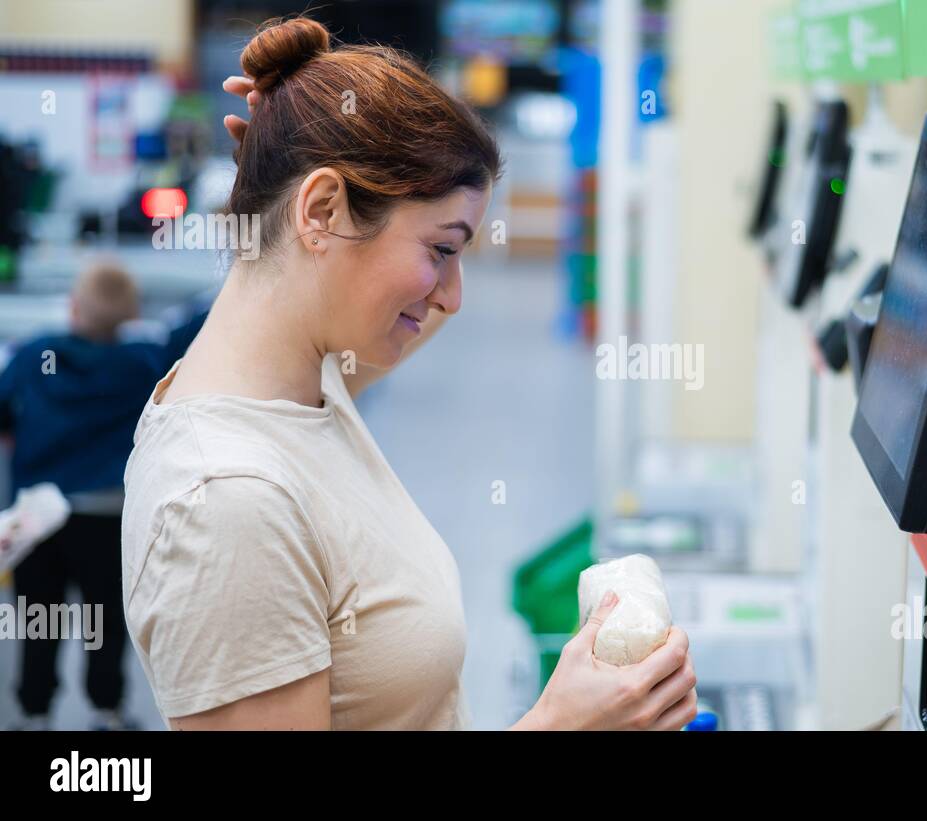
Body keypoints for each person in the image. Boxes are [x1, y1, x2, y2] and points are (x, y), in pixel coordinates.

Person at [122, 16, 697, 730]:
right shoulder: (227, 505)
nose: (453, 296)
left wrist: (288, 152)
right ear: (324, 210)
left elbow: (349, 283)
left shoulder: (306, 381)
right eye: (442, 250)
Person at [0, 260, 203, 730]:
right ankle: (107, 710)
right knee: (106, 622)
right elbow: (194, 329)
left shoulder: (35, 356)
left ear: (73, 308)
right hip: (107, 517)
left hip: (38, 518)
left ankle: (34, 713)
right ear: (131, 313)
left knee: (38, 621)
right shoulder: (143, 362)